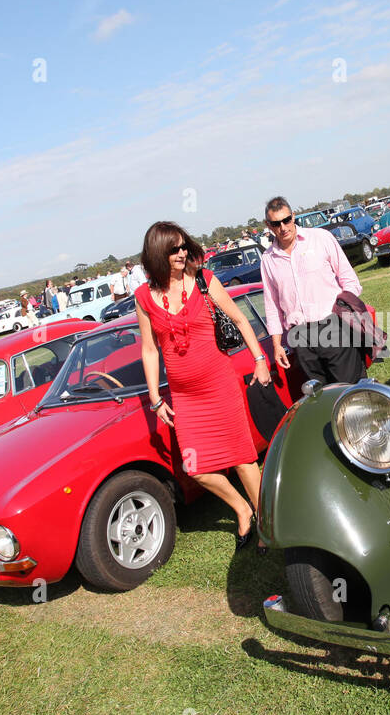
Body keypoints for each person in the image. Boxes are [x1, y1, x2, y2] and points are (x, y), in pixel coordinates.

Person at [134, 221, 271, 550]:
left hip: (220, 384)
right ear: (157, 254)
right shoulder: (143, 298)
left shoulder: (204, 280)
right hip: (185, 397)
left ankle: (269, 523)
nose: (182, 253)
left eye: (183, 247)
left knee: (242, 459)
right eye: (173, 249)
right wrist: (154, 397)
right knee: (194, 467)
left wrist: (259, 360)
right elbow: (150, 349)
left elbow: (239, 319)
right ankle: (242, 509)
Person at [259, 196, 366, 385]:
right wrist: (276, 345)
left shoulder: (320, 238)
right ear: (269, 226)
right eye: (276, 224)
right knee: (321, 399)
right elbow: (272, 306)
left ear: (293, 216)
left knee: (352, 392)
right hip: (300, 337)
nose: (283, 227)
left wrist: (343, 312)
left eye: (286, 220)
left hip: (333, 325)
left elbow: (349, 279)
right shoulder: (268, 260)